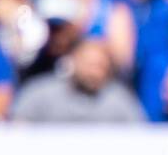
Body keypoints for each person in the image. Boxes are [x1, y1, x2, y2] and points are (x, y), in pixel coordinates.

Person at [12, 37, 146, 122]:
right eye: (89, 65)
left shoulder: (120, 101)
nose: (94, 73)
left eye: (100, 66)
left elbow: (140, 136)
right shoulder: (41, 93)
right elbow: (18, 127)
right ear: (73, 62)